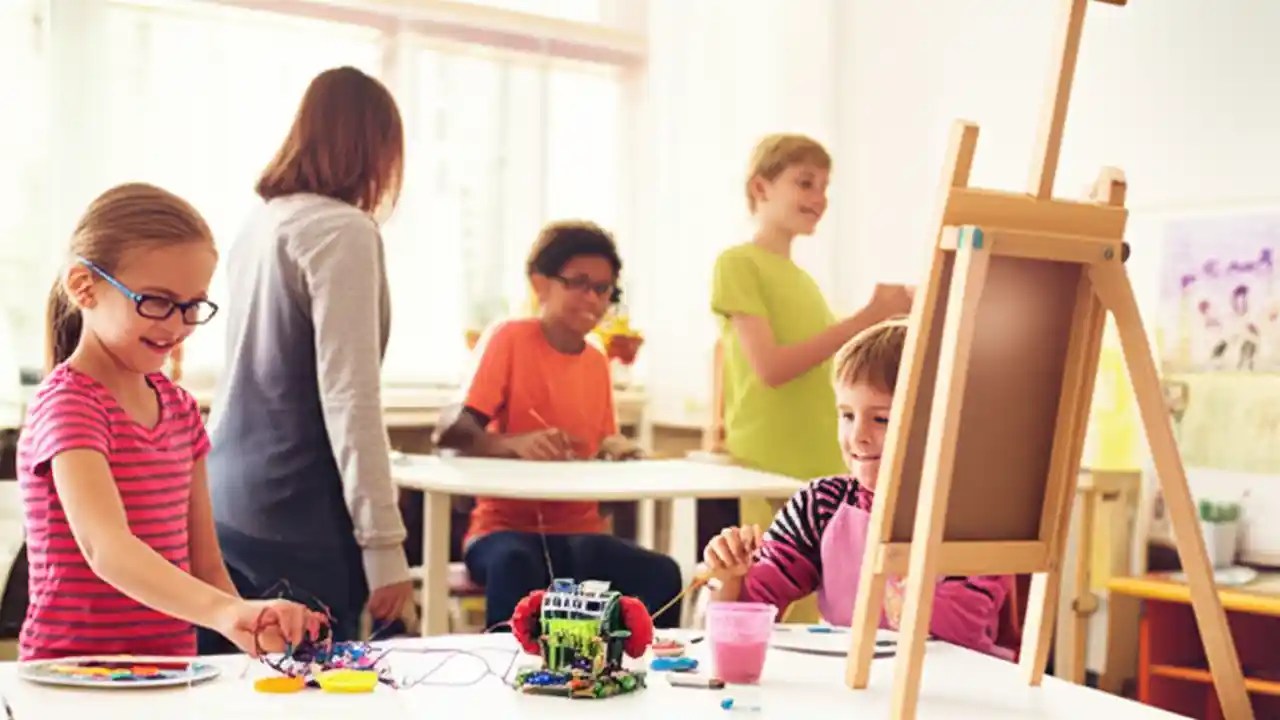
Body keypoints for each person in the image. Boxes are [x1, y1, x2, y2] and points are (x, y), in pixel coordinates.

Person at [17, 183, 323, 660]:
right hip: (73, 678)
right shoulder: (70, 405)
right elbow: (106, 548)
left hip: (170, 672)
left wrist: (251, 624)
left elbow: (206, 567)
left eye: (192, 305)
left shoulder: (179, 409)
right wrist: (223, 613)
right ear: (84, 287)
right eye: (156, 301)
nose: (177, 324)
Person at [203, 66, 411, 647]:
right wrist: (385, 548)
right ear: (376, 149)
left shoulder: (261, 224)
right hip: (298, 514)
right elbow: (350, 397)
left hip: (224, 503)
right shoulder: (342, 231)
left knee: (234, 691)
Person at [702, 319, 1015, 659]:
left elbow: (961, 630)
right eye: (847, 415)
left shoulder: (974, 518)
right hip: (860, 691)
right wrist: (731, 579)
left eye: (881, 419)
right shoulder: (820, 505)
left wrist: (894, 584)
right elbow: (747, 616)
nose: (858, 436)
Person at [435, 220, 683, 629]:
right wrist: (514, 444)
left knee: (662, 575)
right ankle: (511, 679)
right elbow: (453, 431)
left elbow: (602, 444)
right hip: (502, 531)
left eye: (603, 289)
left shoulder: (597, 361)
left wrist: (620, 452)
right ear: (540, 284)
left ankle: (635, 676)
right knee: (518, 565)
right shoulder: (509, 338)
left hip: (578, 533)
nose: (592, 298)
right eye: (578, 283)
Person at [710, 133, 912, 620]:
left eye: (824, 186)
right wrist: (868, 316)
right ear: (761, 187)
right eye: (805, 182)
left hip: (818, 458)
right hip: (768, 459)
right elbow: (771, 367)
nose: (819, 198)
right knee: (770, 604)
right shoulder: (738, 263)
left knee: (823, 605)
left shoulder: (802, 281)